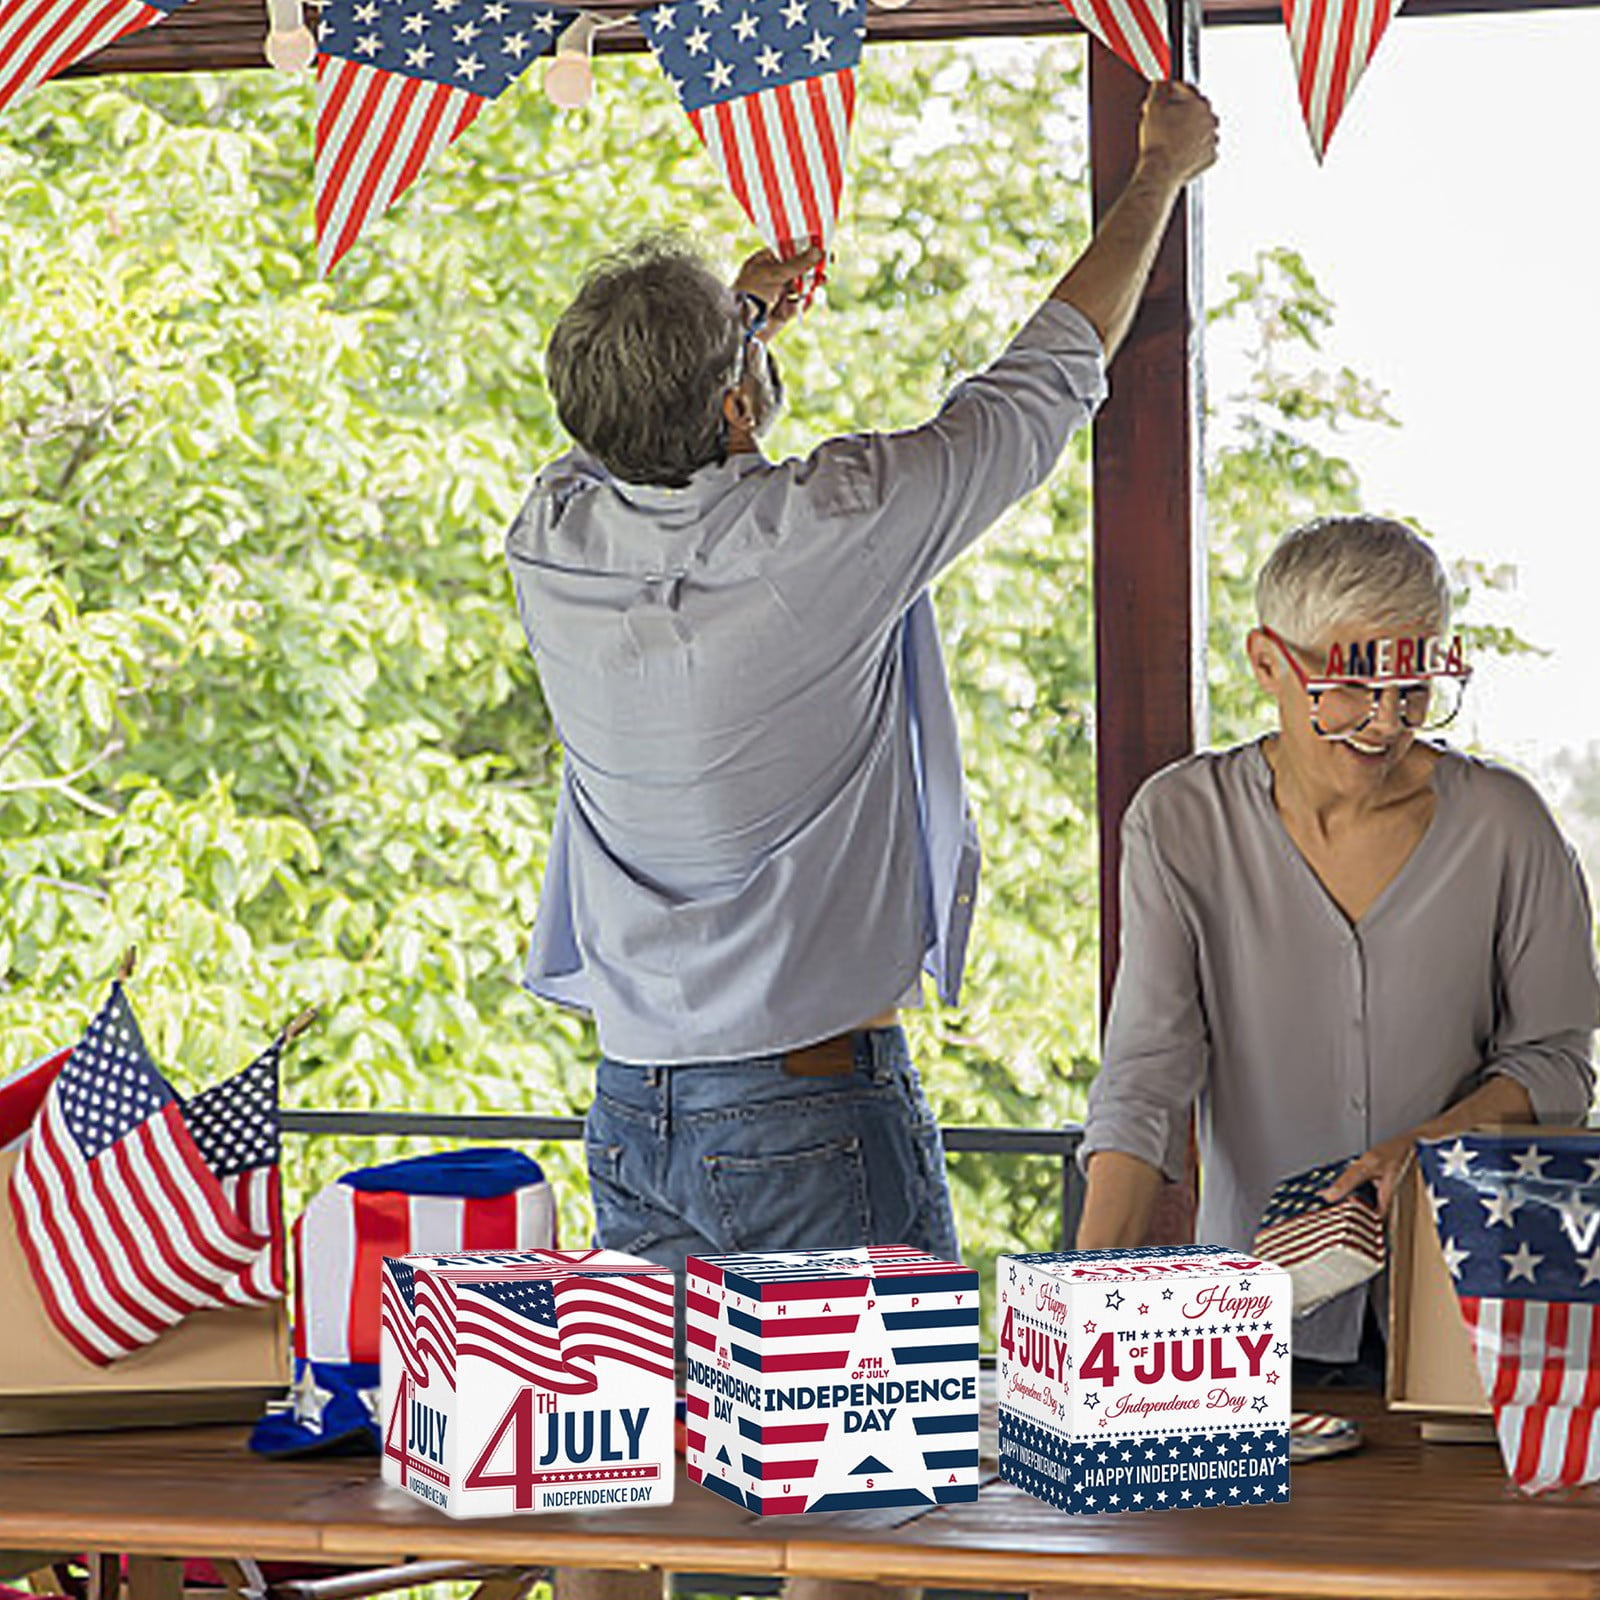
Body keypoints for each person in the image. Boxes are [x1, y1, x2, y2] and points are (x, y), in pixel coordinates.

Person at [508, 80, 1216, 1600]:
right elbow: (1046, 378)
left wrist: (746, 327)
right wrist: (1156, 176)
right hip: (811, 1116)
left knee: (617, 1517)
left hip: (633, 1107)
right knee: (864, 1537)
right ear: (736, 409)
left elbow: (643, 441)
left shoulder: (550, 536)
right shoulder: (836, 526)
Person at [1076, 513, 1600, 1385]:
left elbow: (1559, 1065)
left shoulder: (1509, 828)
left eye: (1414, 688)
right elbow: (1144, 1077)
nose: (1386, 723)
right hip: (1249, 1327)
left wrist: (1418, 1149)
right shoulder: (1180, 823)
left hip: (1461, 1319)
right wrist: (1078, 1301)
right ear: (1267, 662)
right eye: (1352, 687)